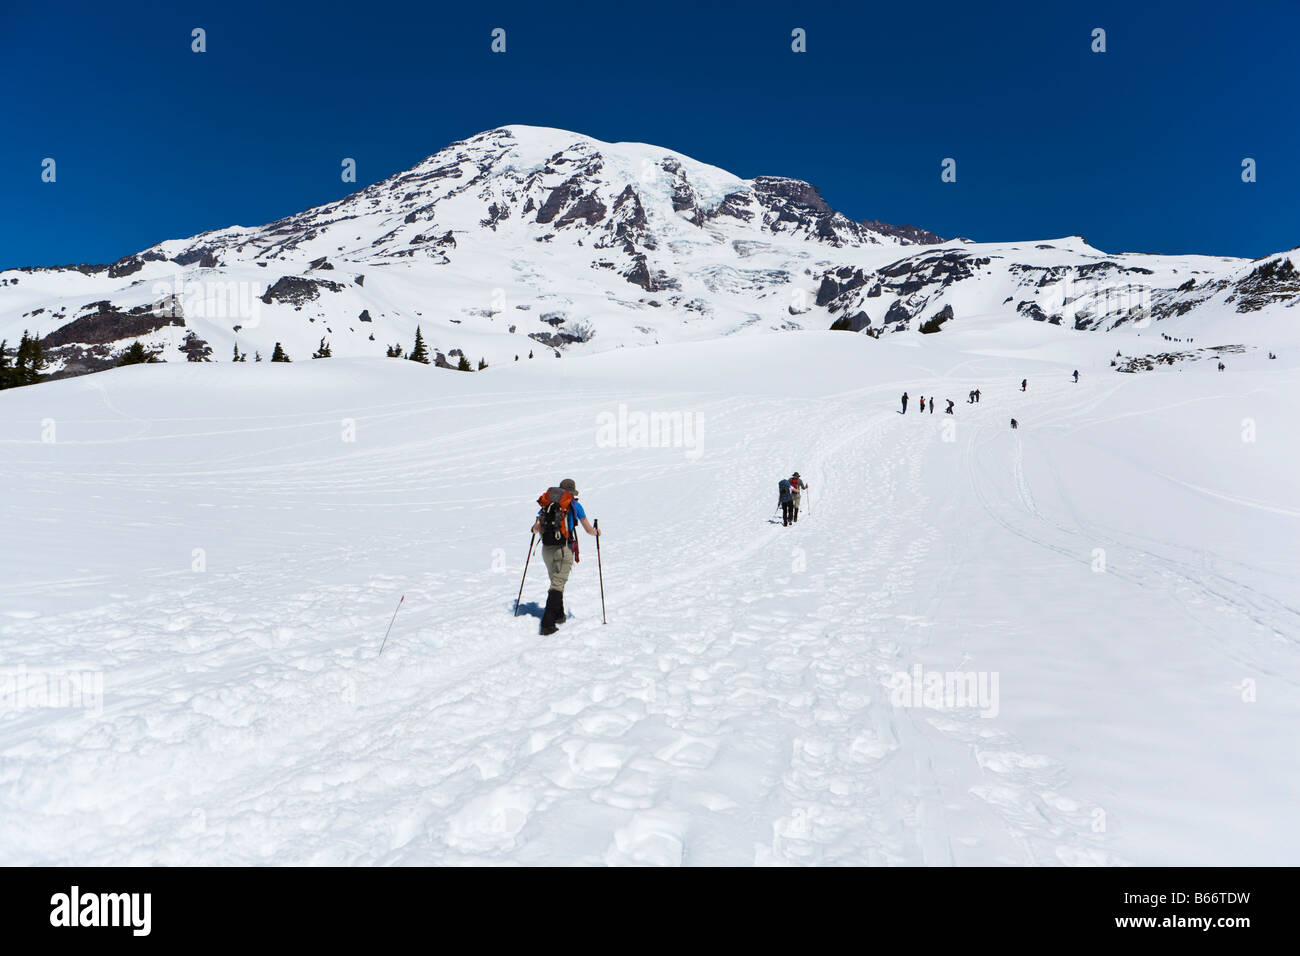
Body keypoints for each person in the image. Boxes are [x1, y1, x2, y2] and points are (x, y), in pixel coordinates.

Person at [532, 478, 600, 636]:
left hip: (546, 549)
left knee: (556, 581)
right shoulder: (575, 505)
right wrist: (597, 532)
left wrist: (535, 528)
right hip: (564, 549)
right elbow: (589, 530)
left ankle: (559, 614)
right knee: (557, 584)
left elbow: (536, 529)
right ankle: (547, 624)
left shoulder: (546, 504)